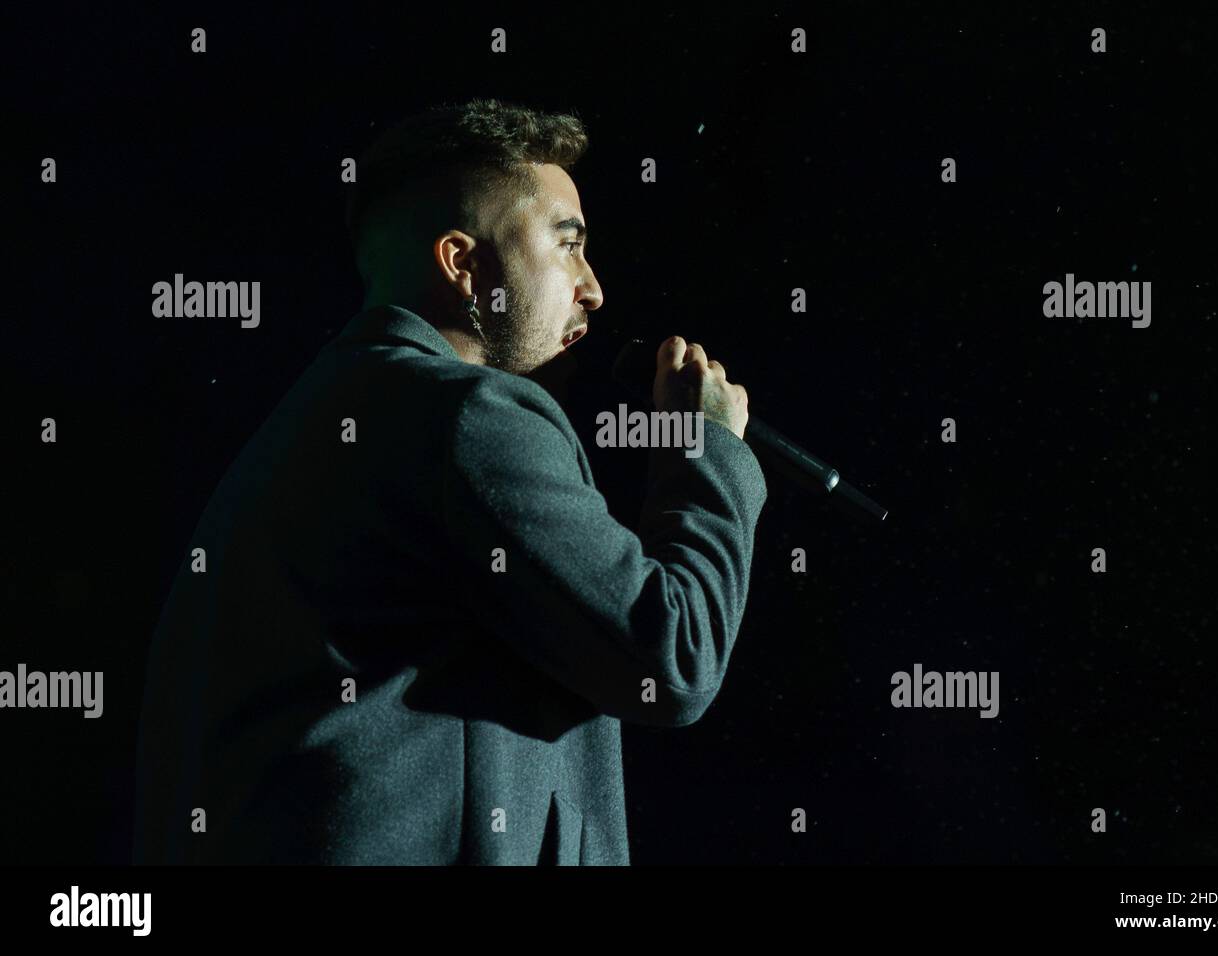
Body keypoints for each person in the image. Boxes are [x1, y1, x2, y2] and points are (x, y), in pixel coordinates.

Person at [132, 98, 767, 865]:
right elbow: (671, 661)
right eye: (568, 246)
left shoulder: (331, 411)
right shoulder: (466, 415)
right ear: (463, 264)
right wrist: (704, 454)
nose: (593, 288)